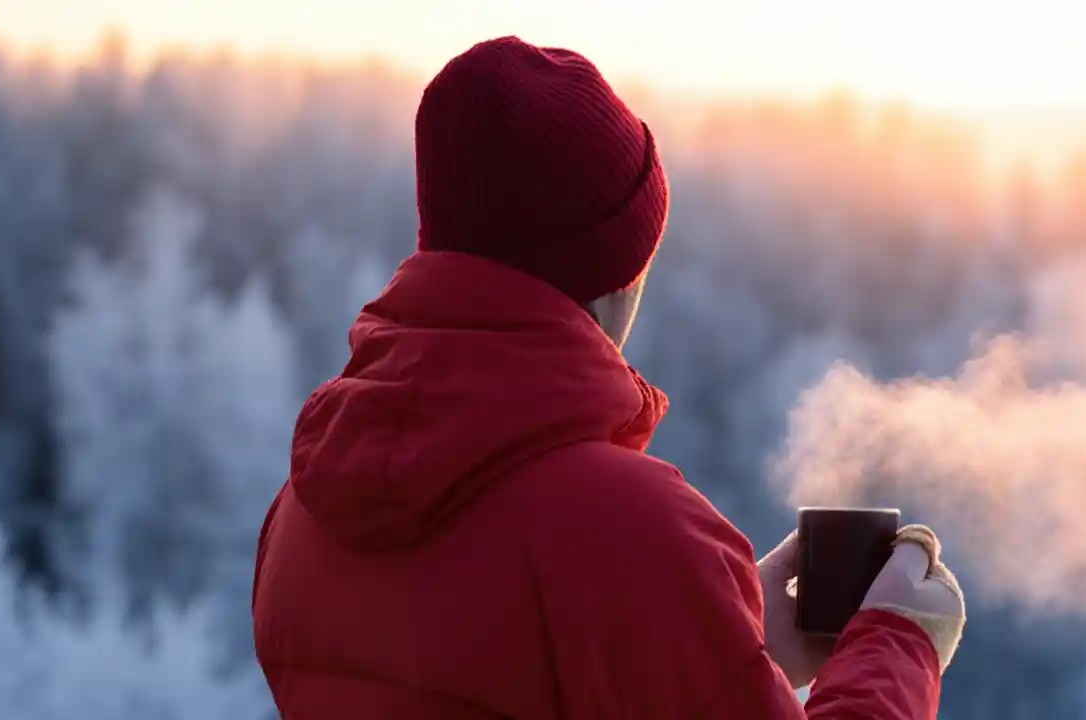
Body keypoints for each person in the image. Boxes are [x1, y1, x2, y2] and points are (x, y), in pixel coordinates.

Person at [251, 36, 965, 719]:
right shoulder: (636, 535)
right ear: (618, 274)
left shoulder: (304, 511)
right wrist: (900, 643)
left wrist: (734, 654)